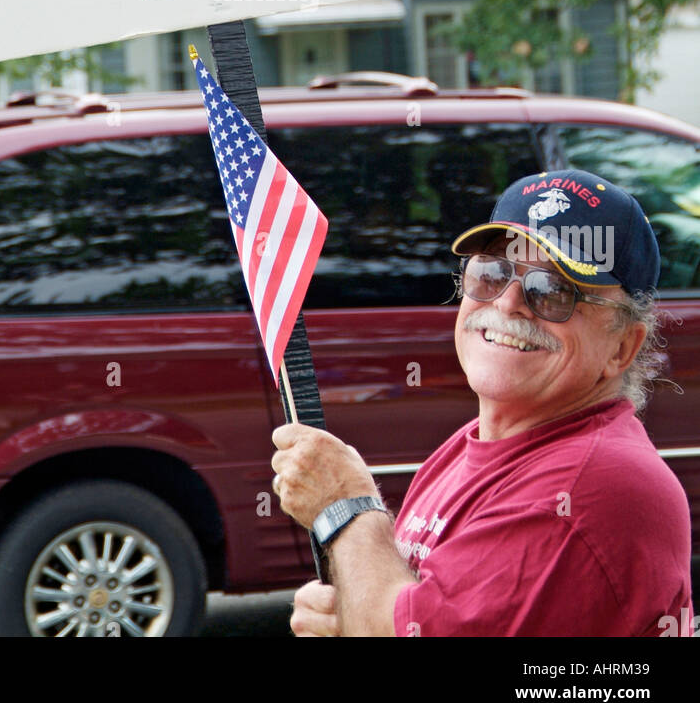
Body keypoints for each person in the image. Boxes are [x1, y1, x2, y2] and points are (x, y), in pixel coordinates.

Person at [271, 168, 694, 637]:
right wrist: (354, 608)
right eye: (492, 273)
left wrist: (346, 508)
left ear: (622, 348)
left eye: (553, 292)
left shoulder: (592, 486)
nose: (509, 302)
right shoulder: (477, 444)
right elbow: (418, 610)